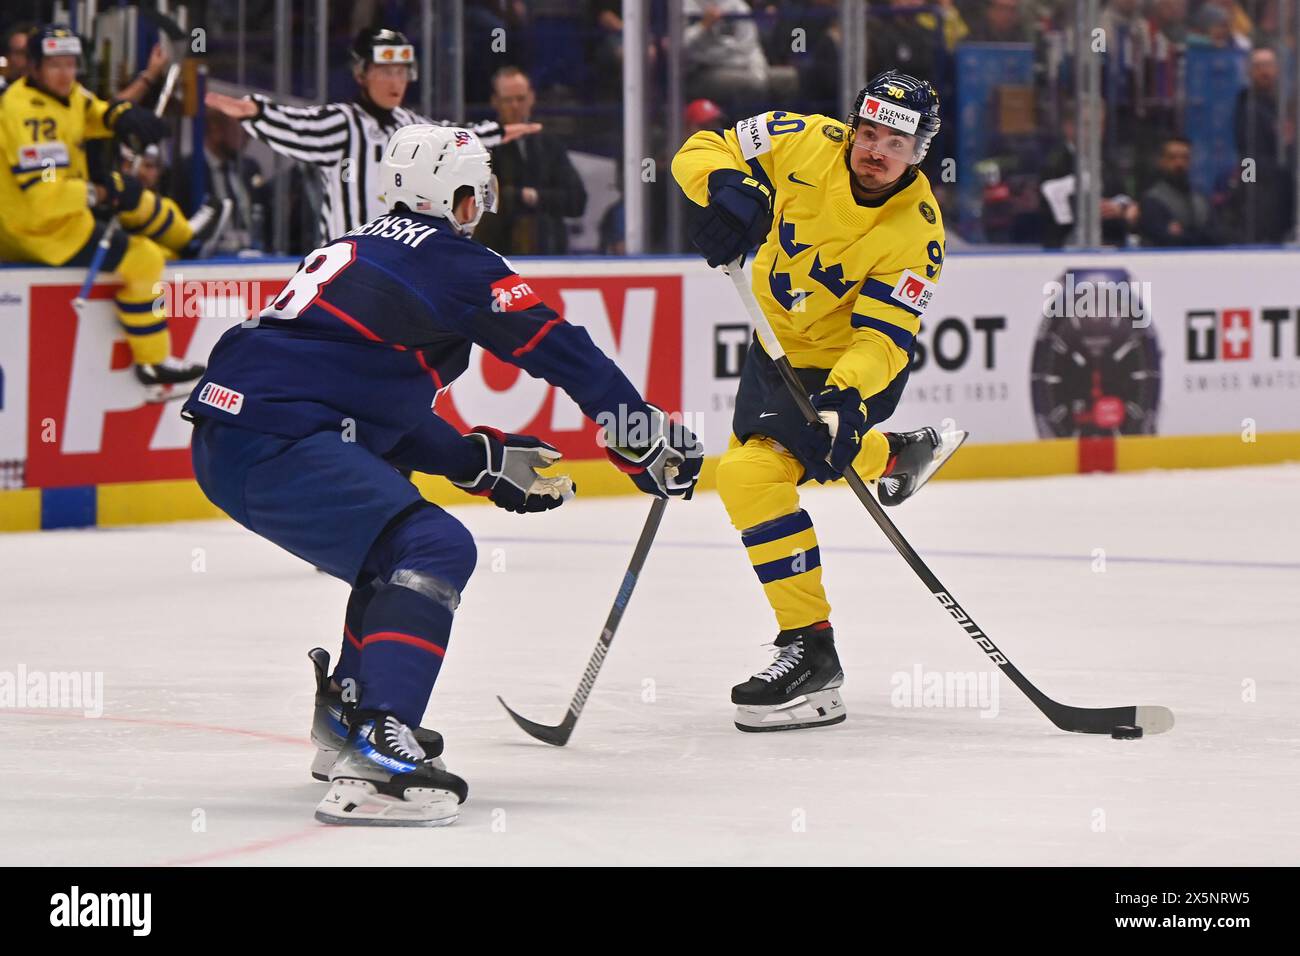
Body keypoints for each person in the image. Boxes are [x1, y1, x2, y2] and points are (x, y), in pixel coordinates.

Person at [182, 125, 703, 826]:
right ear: (459, 196)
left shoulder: (352, 246)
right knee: (434, 548)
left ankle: (348, 716)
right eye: (475, 188)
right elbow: (560, 348)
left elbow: (360, 399)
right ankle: (377, 751)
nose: (479, 202)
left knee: (389, 558)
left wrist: (476, 462)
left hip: (234, 438)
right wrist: (639, 433)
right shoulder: (458, 263)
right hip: (280, 439)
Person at [672, 70, 965, 733]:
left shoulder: (917, 233)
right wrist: (726, 185)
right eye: (868, 133)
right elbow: (699, 147)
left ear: (919, 152)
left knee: (749, 472)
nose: (874, 151)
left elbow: (884, 339)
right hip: (774, 343)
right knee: (778, 466)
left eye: (895, 141)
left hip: (847, 367)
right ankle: (894, 458)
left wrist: (844, 399)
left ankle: (811, 647)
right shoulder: (803, 138)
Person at [0, 25, 205, 399]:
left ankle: (189, 238)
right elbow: (46, 195)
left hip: (57, 219)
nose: (66, 73)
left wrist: (121, 116)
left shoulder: (65, 94)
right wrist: (104, 193)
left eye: (71, 64)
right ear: (33, 67)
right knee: (142, 258)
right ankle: (154, 366)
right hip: (39, 231)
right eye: (55, 65)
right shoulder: (27, 115)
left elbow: (93, 111)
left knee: (139, 209)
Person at [204, 27, 542, 246]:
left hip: (400, 265)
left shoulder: (411, 125)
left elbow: (453, 135)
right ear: (361, 73)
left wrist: (498, 131)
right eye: (385, 71)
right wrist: (258, 112)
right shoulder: (343, 124)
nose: (396, 82)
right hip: (347, 267)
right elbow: (300, 126)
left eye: (401, 72)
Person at [471, 66, 586, 255]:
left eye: (521, 98)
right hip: (499, 253)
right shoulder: (481, 145)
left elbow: (577, 200)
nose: (515, 105)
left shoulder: (549, 144)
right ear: (495, 102)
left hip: (550, 253)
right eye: (508, 100)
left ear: (532, 98)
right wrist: (523, 197)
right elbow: (483, 199)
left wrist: (529, 196)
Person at [1137, 136, 1221, 246]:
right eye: (1172, 157)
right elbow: (1162, 238)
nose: (1179, 163)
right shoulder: (1152, 200)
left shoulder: (1201, 199)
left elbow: (1217, 235)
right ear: (1162, 161)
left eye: (1185, 157)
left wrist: (1183, 233)